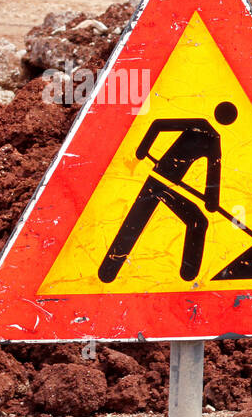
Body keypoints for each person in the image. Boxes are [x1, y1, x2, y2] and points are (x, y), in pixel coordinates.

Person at [98, 101, 238, 283]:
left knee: (194, 221)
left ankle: (187, 279)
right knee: (140, 223)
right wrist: (142, 149)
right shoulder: (201, 127)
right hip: (157, 182)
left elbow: (213, 176)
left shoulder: (212, 138)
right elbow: (158, 124)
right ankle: (107, 273)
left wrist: (212, 200)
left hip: (165, 185)